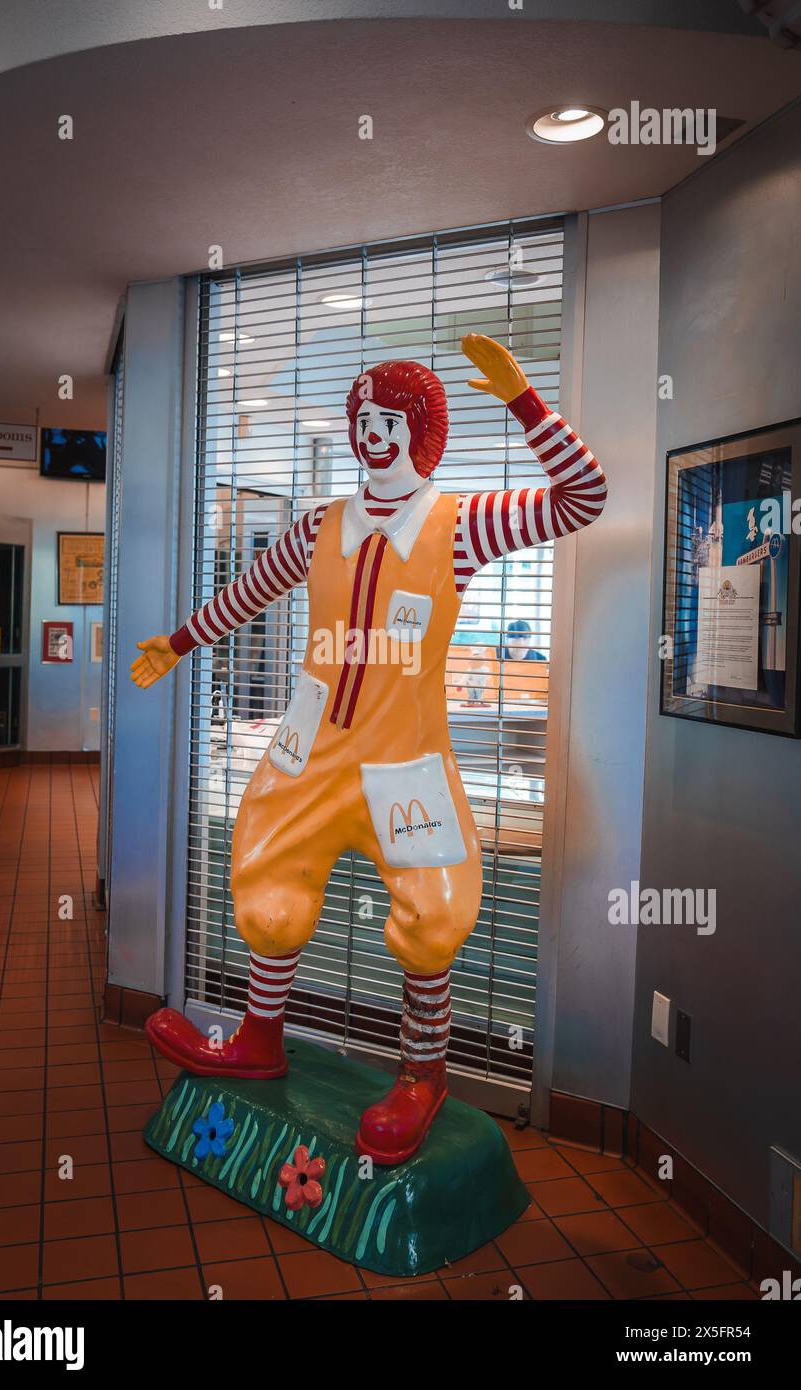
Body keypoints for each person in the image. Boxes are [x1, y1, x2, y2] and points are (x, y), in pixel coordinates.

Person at [131, 333, 607, 1164]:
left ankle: (423, 1073)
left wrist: (526, 403)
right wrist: (177, 642)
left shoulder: (463, 523)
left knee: (431, 914)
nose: (373, 432)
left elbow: (582, 497)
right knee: (266, 886)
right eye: (364, 416)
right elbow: (250, 592)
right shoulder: (319, 524)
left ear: (421, 431)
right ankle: (258, 1036)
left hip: (404, 765)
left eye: (391, 418)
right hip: (308, 754)